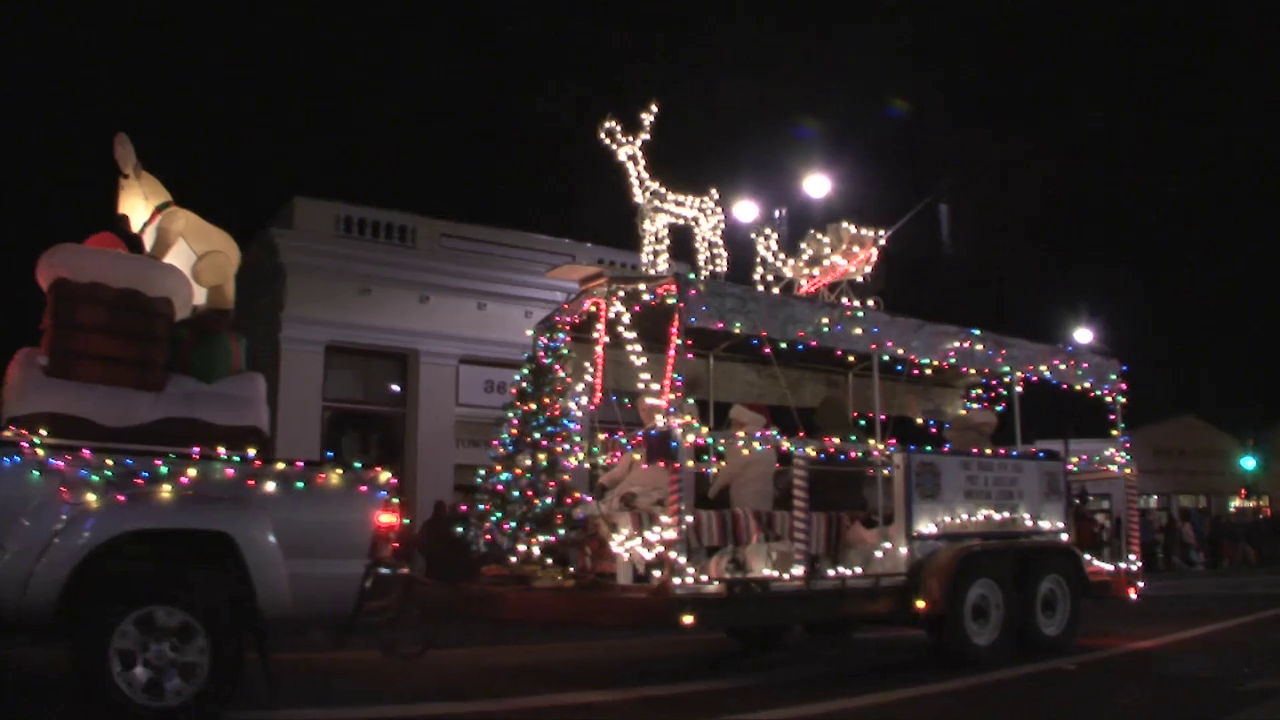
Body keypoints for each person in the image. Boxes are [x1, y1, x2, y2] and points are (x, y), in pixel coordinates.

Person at [595, 396, 673, 513]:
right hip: (626, 493)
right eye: (643, 410)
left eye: (651, 408)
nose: (647, 414)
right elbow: (619, 472)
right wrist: (603, 484)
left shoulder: (672, 435)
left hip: (654, 492)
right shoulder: (635, 447)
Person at [707, 403, 778, 511]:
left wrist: (711, 493)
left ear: (741, 421)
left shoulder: (742, 442)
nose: (731, 426)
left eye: (733, 422)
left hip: (745, 495)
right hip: (766, 495)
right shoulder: (766, 441)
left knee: (746, 519)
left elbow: (730, 470)